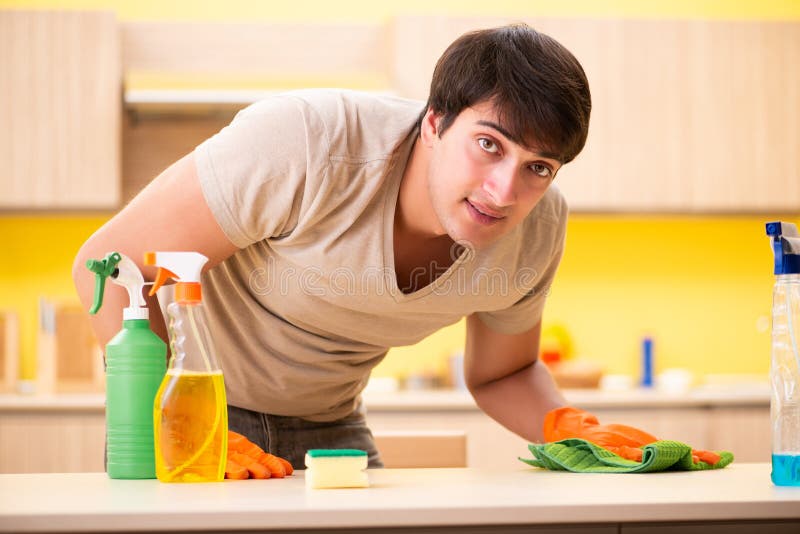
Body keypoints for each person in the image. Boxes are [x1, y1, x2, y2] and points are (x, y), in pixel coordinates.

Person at [73, 23, 592, 469]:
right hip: (195, 420)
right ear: (434, 123)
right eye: (488, 144)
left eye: (538, 167)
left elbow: (506, 372)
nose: (504, 191)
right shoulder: (306, 144)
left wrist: (574, 432)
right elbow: (108, 266)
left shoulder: (537, 229)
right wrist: (181, 427)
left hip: (333, 430)